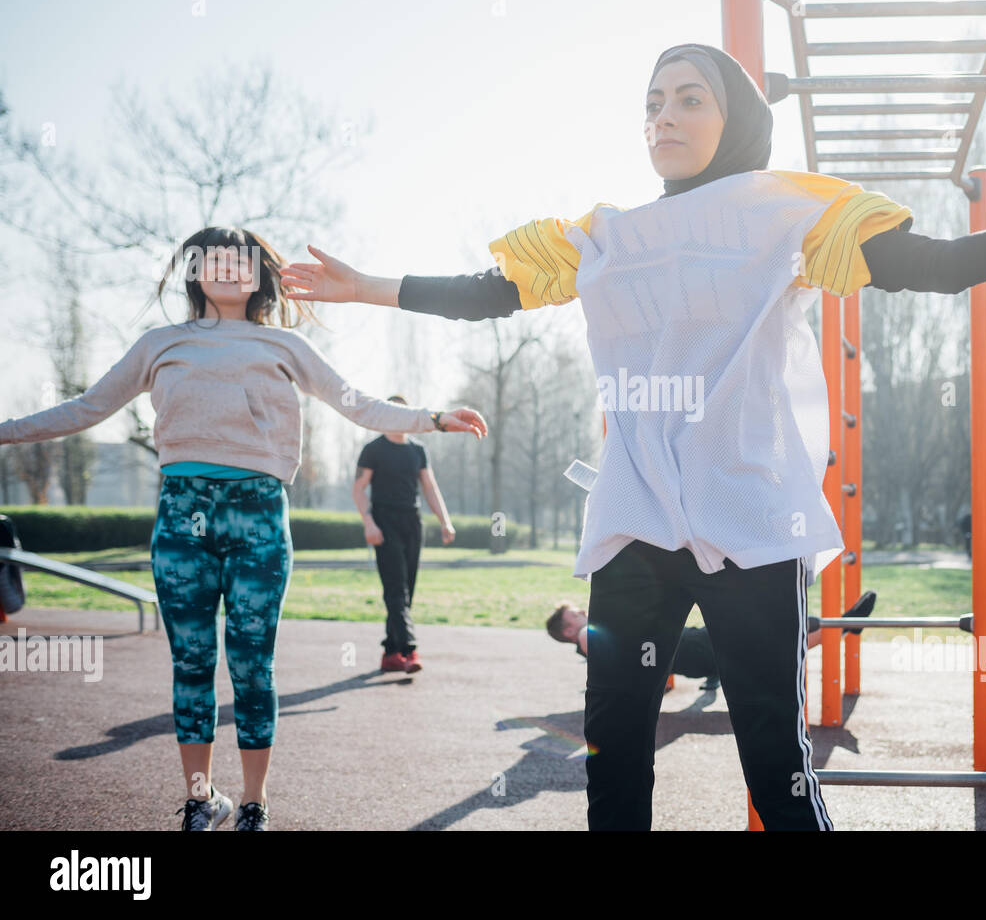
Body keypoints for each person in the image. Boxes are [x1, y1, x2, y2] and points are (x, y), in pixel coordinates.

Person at [278, 42, 986, 830]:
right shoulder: (609, 234)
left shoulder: (783, 209)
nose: (663, 116)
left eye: (688, 98)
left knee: (773, 756)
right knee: (615, 752)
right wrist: (370, 288)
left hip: (747, 515)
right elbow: (490, 293)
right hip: (636, 517)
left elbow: (938, 268)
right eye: (650, 103)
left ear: (736, 117)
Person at [0, 226, 488, 831]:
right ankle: (201, 800)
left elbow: (355, 401)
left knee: (254, 665)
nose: (229, 268)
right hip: (183, 516)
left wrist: (434, 418)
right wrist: (7, 429)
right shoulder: (160, 344)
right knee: (193, 663)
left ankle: (254, 804)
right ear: (193, 271)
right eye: (214, 258)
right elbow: (87, 407)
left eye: (242, 260)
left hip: (258, 514)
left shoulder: (283, 345)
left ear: (260, 275)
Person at [546, 590, 877, 688]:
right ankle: (844, 626)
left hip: (692, 647)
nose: (581, 612)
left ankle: (843, 627)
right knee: (769, 639)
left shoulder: (592, 637)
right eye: (574, 614)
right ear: (567, 630)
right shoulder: (587, 640)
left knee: (769, 639)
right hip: (694, 653)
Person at [353, 395, 457, 673]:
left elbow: (430, 487)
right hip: (384, 522)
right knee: (396, 589)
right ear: (385, 416)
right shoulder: (373, 450)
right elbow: (359, 489)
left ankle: (390, 651)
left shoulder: (418, 450)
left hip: (412, 522)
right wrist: (369, 522)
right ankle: (409, 650)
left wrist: (445, 521)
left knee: (406, 591)